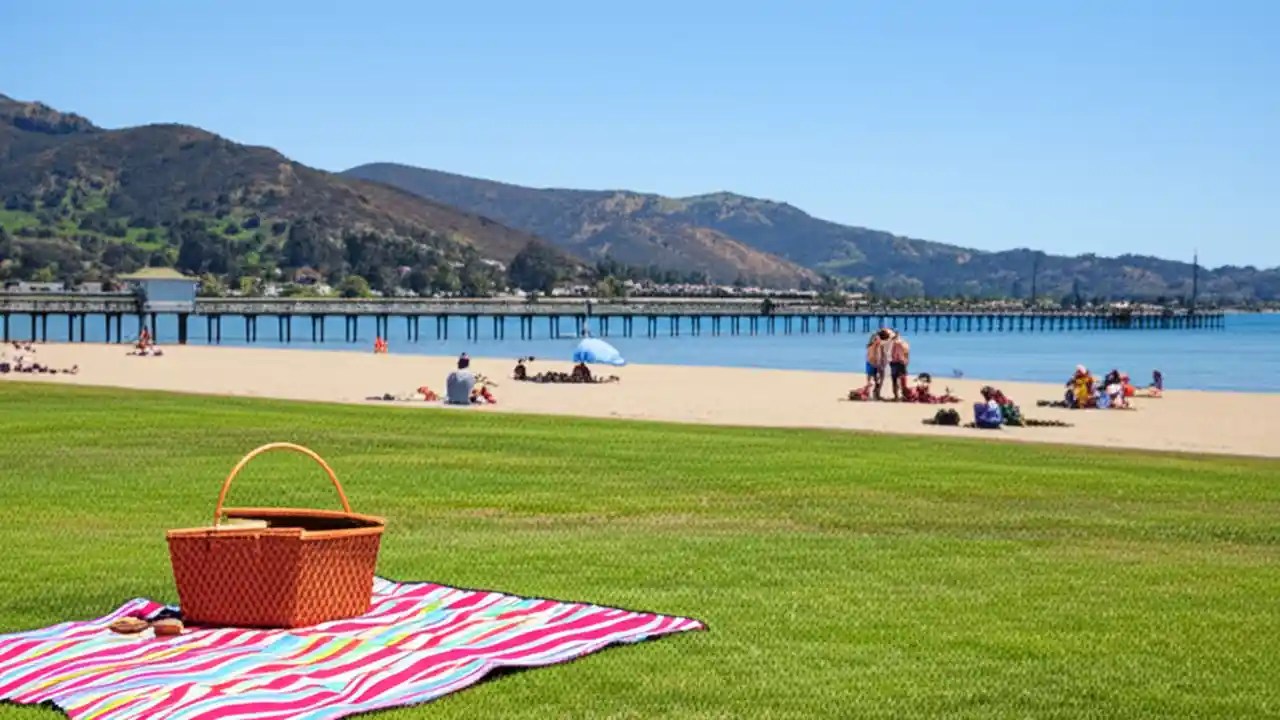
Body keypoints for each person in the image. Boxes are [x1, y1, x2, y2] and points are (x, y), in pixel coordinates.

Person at [889, 334, 910, 400]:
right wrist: (906, 361)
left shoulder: (895, 343)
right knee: (903, 380)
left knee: (894, 380)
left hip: (895, 362)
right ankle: (904, 396)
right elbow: (907, 353)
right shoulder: (905, 343)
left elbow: (893, 354)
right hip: (902, 362)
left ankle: (896, 396)